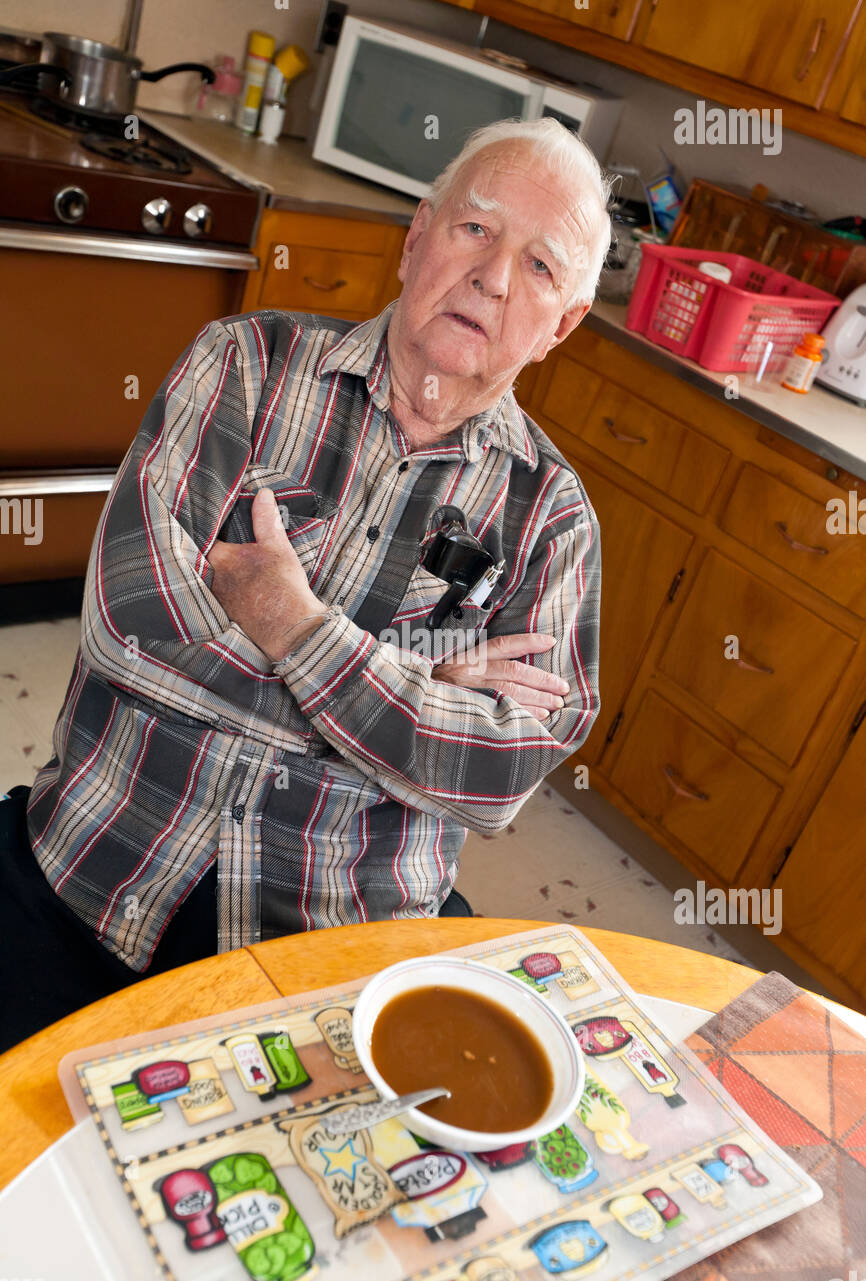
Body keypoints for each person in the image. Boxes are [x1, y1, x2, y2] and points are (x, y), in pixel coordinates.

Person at [0, 117, 610, 1050]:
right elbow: (134, 626)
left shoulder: (552, 519)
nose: (492, 276)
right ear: (417, 239)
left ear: (562, 325)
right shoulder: (243, 367)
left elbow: (495, 780)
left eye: (539, 267)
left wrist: (290, 619)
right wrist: (418, 694)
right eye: (476, 230)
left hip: (340, 941)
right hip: (100, 858)